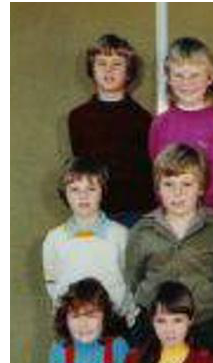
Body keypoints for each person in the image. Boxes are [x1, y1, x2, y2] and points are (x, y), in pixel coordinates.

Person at [126, 143, 213, 362]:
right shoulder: (142, 230)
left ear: (202, 187)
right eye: (169, 184)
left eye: (187, 184)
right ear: (158, 189)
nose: (178, 193)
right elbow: (133, 278)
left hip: (208, 327)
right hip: (157, 330)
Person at [148, 37, 213, 217]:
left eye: (194, 75)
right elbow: (157, 174)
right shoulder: (160, 124)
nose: (186, 83)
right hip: (172, 217)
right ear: (168, 79)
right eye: (179, 75)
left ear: (210, 78)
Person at [67, 34, 154, 226]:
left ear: (129, 72)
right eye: (101, 63)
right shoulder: (78, 117)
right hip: (94, 211)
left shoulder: (143, 118)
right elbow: (81, 167)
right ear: (92, 69)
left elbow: (146, 171)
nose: (109, 70)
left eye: (116, 64)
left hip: (134, 211)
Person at [43, 157, 135, 326]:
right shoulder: (54, 239)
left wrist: (125, 315)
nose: (83, 196)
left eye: (91, 189)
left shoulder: (121, 235)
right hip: (75, 328)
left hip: (115, 324)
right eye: (75, 189)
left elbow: (131, 281)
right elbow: (53, 285)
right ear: (65, 193)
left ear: (102, 191)